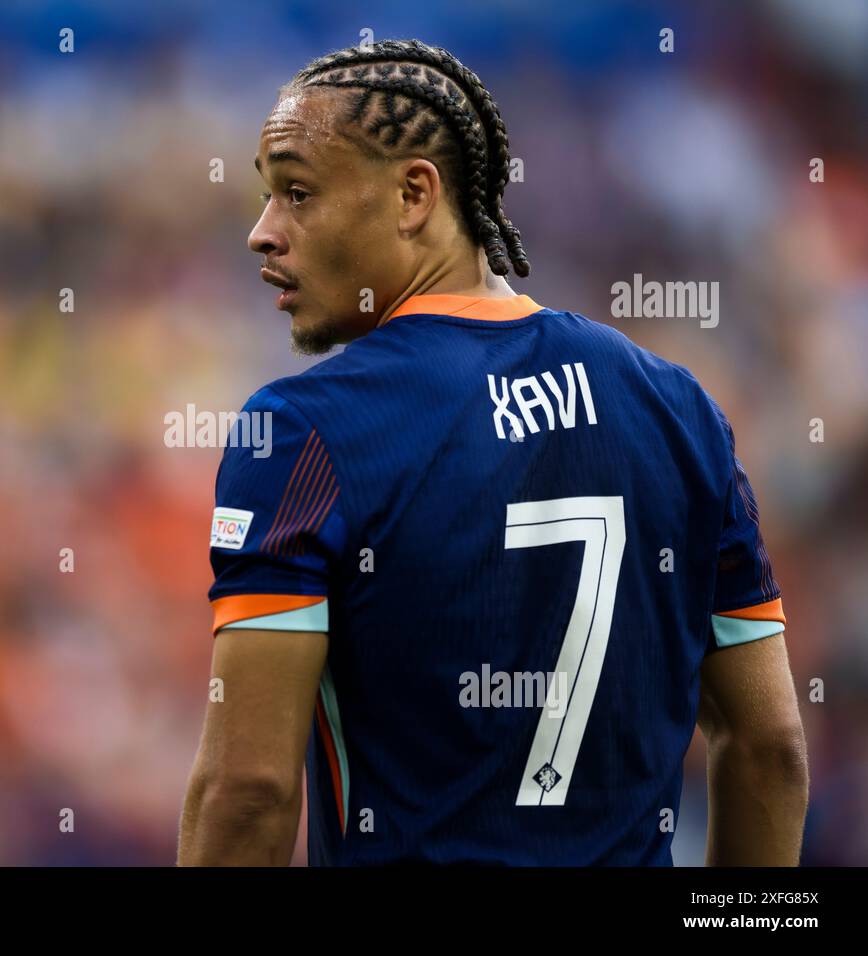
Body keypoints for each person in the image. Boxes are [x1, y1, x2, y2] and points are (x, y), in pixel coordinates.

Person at [177, 39, 807, 866]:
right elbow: (772, 752)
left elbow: (248, 792)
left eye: (297, 193)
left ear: (414, 194)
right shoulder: (678, 407)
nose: (263, 233)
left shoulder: (304, 432)